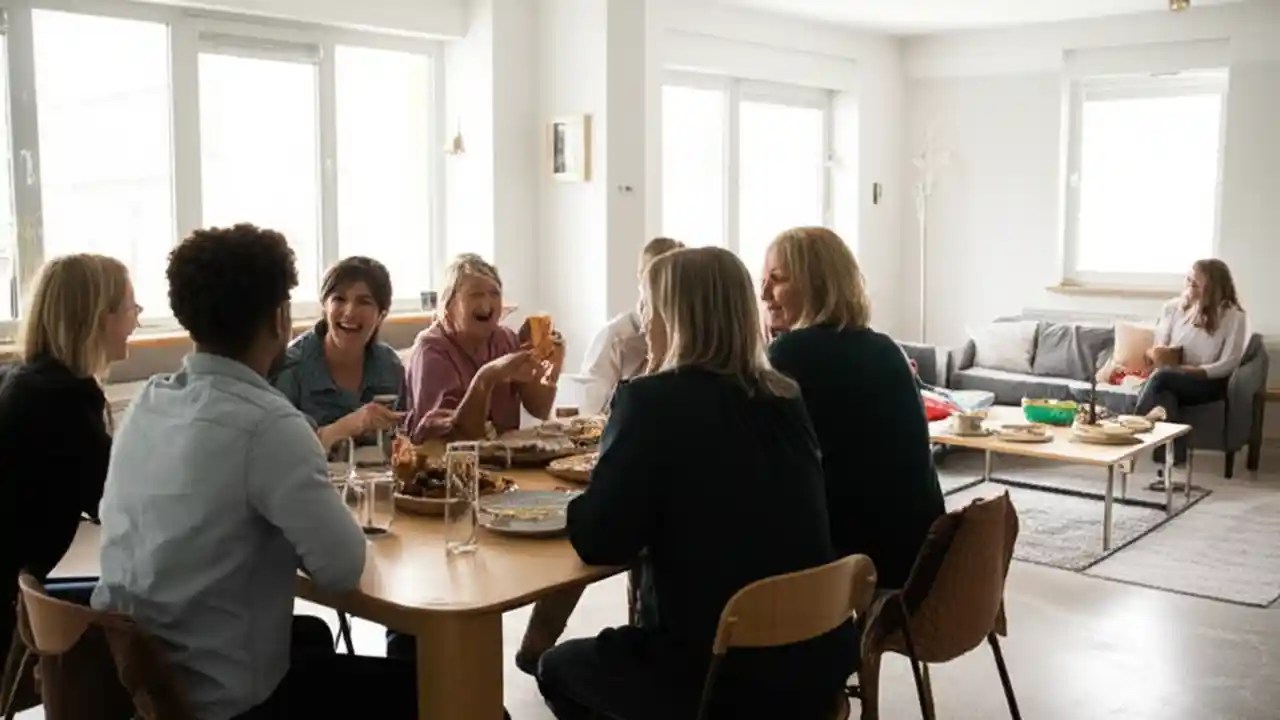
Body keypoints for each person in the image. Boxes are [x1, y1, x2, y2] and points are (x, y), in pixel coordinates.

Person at [91, 224, 415, 720]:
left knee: (311, 637)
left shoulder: (148, 401)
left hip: (144, 680)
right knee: (446, 688)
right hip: (226, 700)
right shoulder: (270, 425)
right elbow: (342, 568)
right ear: (280, 318)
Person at [538, 246, 856, 720]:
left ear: (676, 316)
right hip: (815, 661)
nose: (644, 321)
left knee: (556, 667)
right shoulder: (784, 397)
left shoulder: (650, 403)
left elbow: (599, 539)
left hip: (714, 676)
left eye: (649, 306)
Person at [761, 226, 943, 590]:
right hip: (921, 555)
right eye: (762, 280)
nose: (763, 293)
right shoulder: (886, 348)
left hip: (859, 569)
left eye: (777, 280)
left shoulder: (789, 356)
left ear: (816, 284)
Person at [0, 254, 139, 662]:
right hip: (17, 622)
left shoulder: (21, 378)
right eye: (131, 308)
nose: (136, 322)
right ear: (99, 318)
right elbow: (114, 505)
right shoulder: (64, 399)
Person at [403, 253, 564, 442]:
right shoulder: (431, 350)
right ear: (449, 305)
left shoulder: (505, 339)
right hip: (447, 464)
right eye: (475, 295)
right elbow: (458, 437)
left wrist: (552, 366)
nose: (486, 303)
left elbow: (540, 409)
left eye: (494, 294)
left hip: (503, 461)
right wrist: (486, 378)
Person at [272, 256, 405, 452]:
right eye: (339, 299)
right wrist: (347, 426)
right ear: (325, 307)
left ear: (381, 315)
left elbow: (399, 443)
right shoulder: (291, 365)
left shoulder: (390, 365)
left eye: (364, 302)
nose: (349, 312)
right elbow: (278, 450)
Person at [1138, 258, 1248, 484]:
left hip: (1209, 382)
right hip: (1172, 378)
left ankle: (1133, 421)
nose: (1188, 285)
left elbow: (1229, 362)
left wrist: (1196, 371)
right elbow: (1162, 345)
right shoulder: (1173, 308)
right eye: (1188, 280)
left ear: (1214, 286)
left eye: (1195, 283)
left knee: (1162, 379)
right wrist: (1163, 355)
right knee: (1165, 395)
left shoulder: (1234, 316)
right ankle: (1172, 464)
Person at [578, 237, 683, 413]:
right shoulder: (615, 338)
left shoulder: (696, 341)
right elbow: (589, 412)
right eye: (655, 276)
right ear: (641, 278)